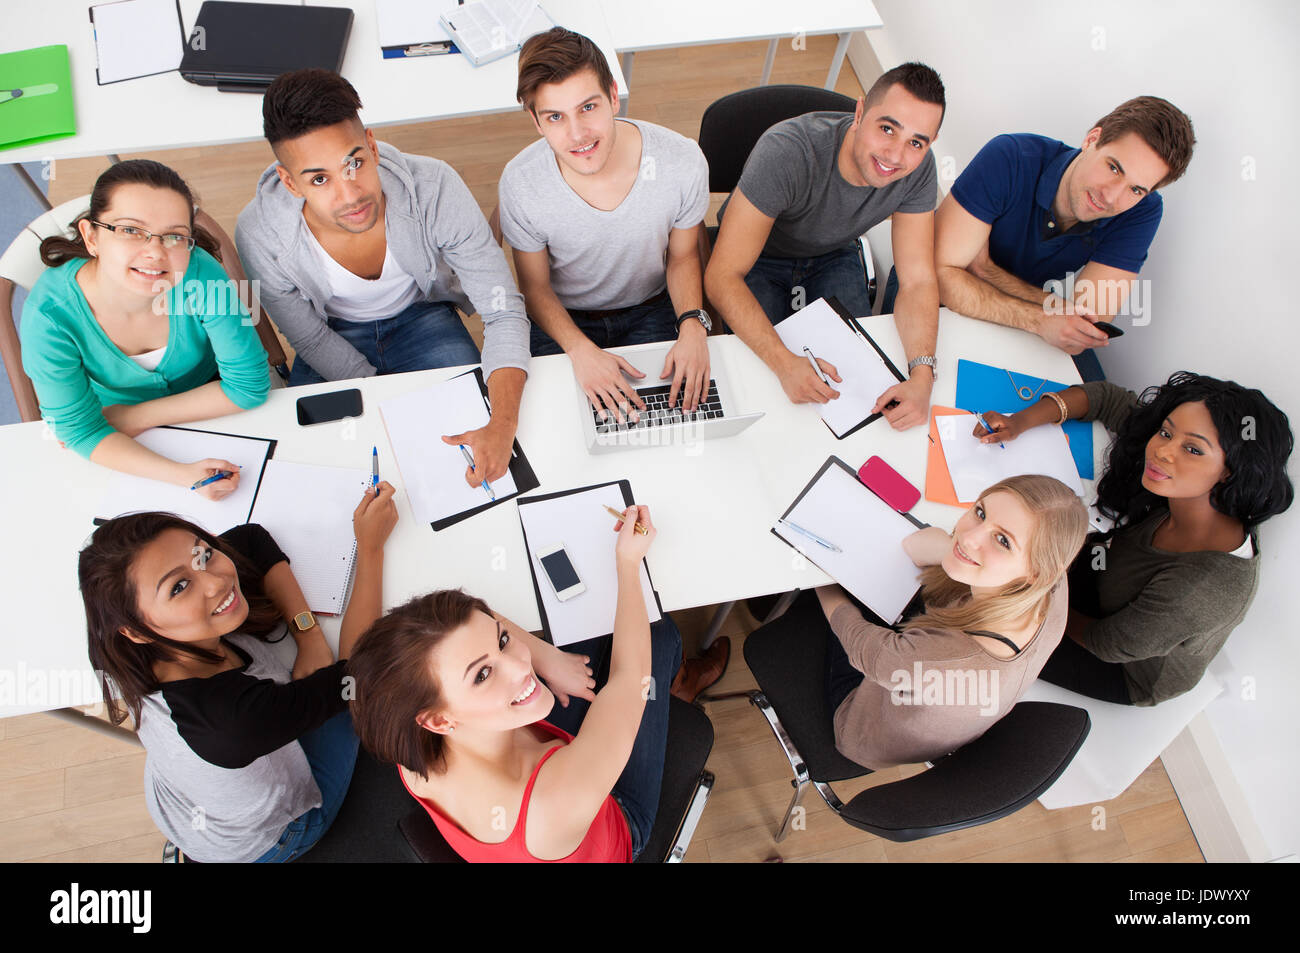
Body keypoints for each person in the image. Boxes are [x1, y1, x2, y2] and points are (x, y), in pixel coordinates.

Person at [235, 69, 529, 485]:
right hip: (331, 336)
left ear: (371, 145)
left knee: (466, 458)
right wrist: (384, 402)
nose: (351, 193)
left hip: (422, 317)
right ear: (289, 182)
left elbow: (503, 312)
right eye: (320, 179)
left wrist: (502, 425)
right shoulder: (259, 232)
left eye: (354, 162)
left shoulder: (434, 186)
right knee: (316, 467)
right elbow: (310, 338)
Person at [78, 483, 398, 862]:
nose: (217, 581)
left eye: (205, 555)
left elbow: (251, 539)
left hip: (186, 807)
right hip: (271, 835)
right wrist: (371, 548)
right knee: (357, 705)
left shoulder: (129, 643)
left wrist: (309, 635)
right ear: (134, 629)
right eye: (179, 587)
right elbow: (357, 675)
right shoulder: (234, 720)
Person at [349, 505, 682, 862]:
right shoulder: (554, 802)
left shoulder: (413, 729)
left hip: (546, 766)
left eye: (503, 640)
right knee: (658, 630)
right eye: (482, 674)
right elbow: (631, 679)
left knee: (585, 618)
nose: (521, 666)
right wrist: (628, 564)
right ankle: (683, 683)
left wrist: (547, 658)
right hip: (614, 815)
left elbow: (476, 616)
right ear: (440, 720)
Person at [974, 373, 1293, 705]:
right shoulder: (1186, 481)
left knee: (962, 605)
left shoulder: (1201, 589)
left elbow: (1107, 643)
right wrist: (1019, 422)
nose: (1162, 451)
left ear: (1231, 470)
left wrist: (1033, 594)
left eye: (1193, 449)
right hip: (1104, 579)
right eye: (1166, 432)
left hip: (1120, 665)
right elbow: (1107, 399)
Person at [704, 62, 946, 431]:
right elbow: (722, 276)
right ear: (860, 112)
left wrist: (923, 376)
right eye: (887, 129)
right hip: (759, 257)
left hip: (833, 253)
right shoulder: (787, 151)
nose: (896, 156)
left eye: (916, 142)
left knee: (858, 387)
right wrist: (784, 361)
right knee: (767, 390)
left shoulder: (919, 168)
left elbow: (916, 279)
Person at [21, 159, 270, 498]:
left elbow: (249, 386)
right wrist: (184, 476)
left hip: (201, 408)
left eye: (174, 236)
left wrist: (136, 416)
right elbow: (79, 433)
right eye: (130, 230)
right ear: (91, 236)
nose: (155, 251)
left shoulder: (201, 274)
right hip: (113, 435)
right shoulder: (49, 316)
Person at [501, 27, 712, 420]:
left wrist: (693, 325)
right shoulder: (521, 183)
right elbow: (535, 287)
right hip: (564, 320)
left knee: (675, 419)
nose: (578, 134)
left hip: (651, 308)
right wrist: (580, 351)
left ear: (614, 96)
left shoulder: (682, 161)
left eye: (588, 107)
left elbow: (683, 258)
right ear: (536, 121)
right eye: (555, 117)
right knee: (556, 428)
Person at [811, 474, 1088, 769]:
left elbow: (863, 646)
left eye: (1003, 541)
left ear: (1039, 572)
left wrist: (817, 574)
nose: (968, 537)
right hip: (929, 703)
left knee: (833, 596)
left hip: (862, 728)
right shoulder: (1053, 587)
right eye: (980, 513)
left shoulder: (943, 659)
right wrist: (949, 551)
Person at [934, 97, 1195, 380]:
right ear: (1093, 138)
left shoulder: (1142, 210)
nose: (1111, 196)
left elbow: (1086, 322)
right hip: (938, 295)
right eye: (1114, 168)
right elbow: (940, 275)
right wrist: (1042, 316)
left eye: (1135, 189)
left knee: (1087, 396)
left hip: (1026, 318)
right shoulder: (1010, 156)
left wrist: (987, 271)